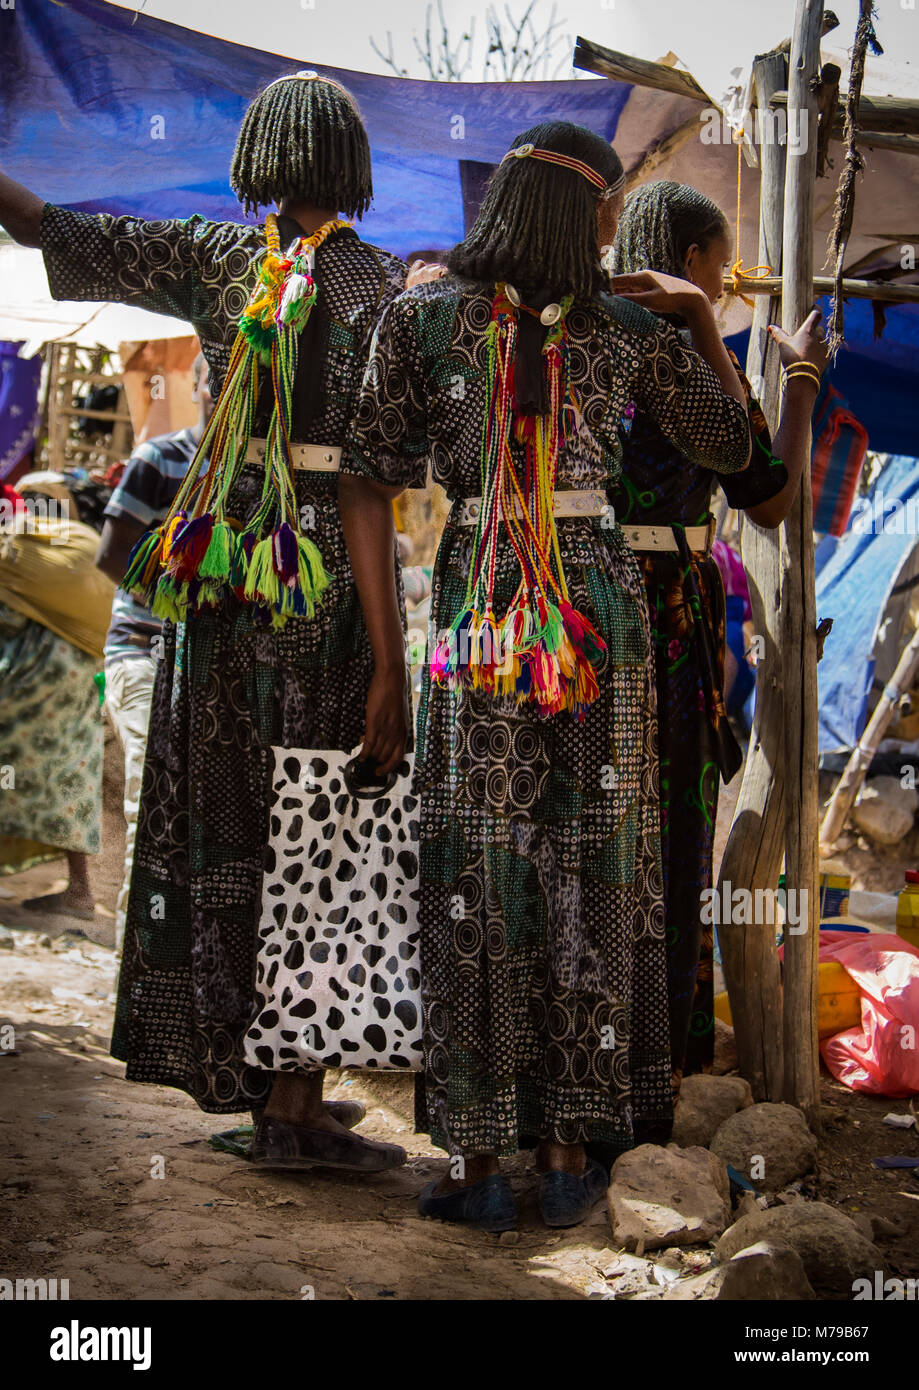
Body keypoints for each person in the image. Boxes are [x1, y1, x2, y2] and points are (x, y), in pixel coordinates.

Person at [339, 122, 751, 1231]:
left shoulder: (420, 318)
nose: (618, 227)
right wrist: (702, 320)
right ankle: (566, 1149)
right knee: (591, 869)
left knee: (479, 867)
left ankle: (482, 1163)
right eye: (612, 209)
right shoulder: (627, 330)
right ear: (584, 213)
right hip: (594, 617)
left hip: (481, 608)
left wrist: (389, 656)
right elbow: (735, 443)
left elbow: (366, 482)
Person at [0, 72, 409, 1172]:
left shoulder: (217, 261)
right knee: (321, 828)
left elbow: (48, 224)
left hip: (229, 583)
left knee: (228, 823)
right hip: (328, 587)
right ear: (354, 169)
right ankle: (290, 1095)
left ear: (256, 165)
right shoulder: (385, 291)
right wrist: (391, 662)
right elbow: (373, 481)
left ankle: (259, 1086)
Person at [608, 179, 827, 1089]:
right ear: (694, 261)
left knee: (601, 829)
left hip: (585, 606)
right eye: (716, 262)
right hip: (664, 616)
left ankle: (589, 1050)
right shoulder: (681, 363)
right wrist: (802, 383)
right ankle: (660, 1057)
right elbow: (767, 494)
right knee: (671, 828)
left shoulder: (592, 347)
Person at [95, 354, 213, 951]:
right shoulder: (160, 460)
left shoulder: (249, 473)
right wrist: (182, 602)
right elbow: (112, 556)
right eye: (213, 376)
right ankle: (132, 965)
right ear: (196, 386)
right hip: (141, 651)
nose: (223, 389)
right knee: (151, 801)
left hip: (198, 662)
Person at [0, 473, 114, 918]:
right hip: (80, 687)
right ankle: (79, 893)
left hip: (21, 689)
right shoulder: (84, 543)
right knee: (71, 783)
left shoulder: (15, 550)